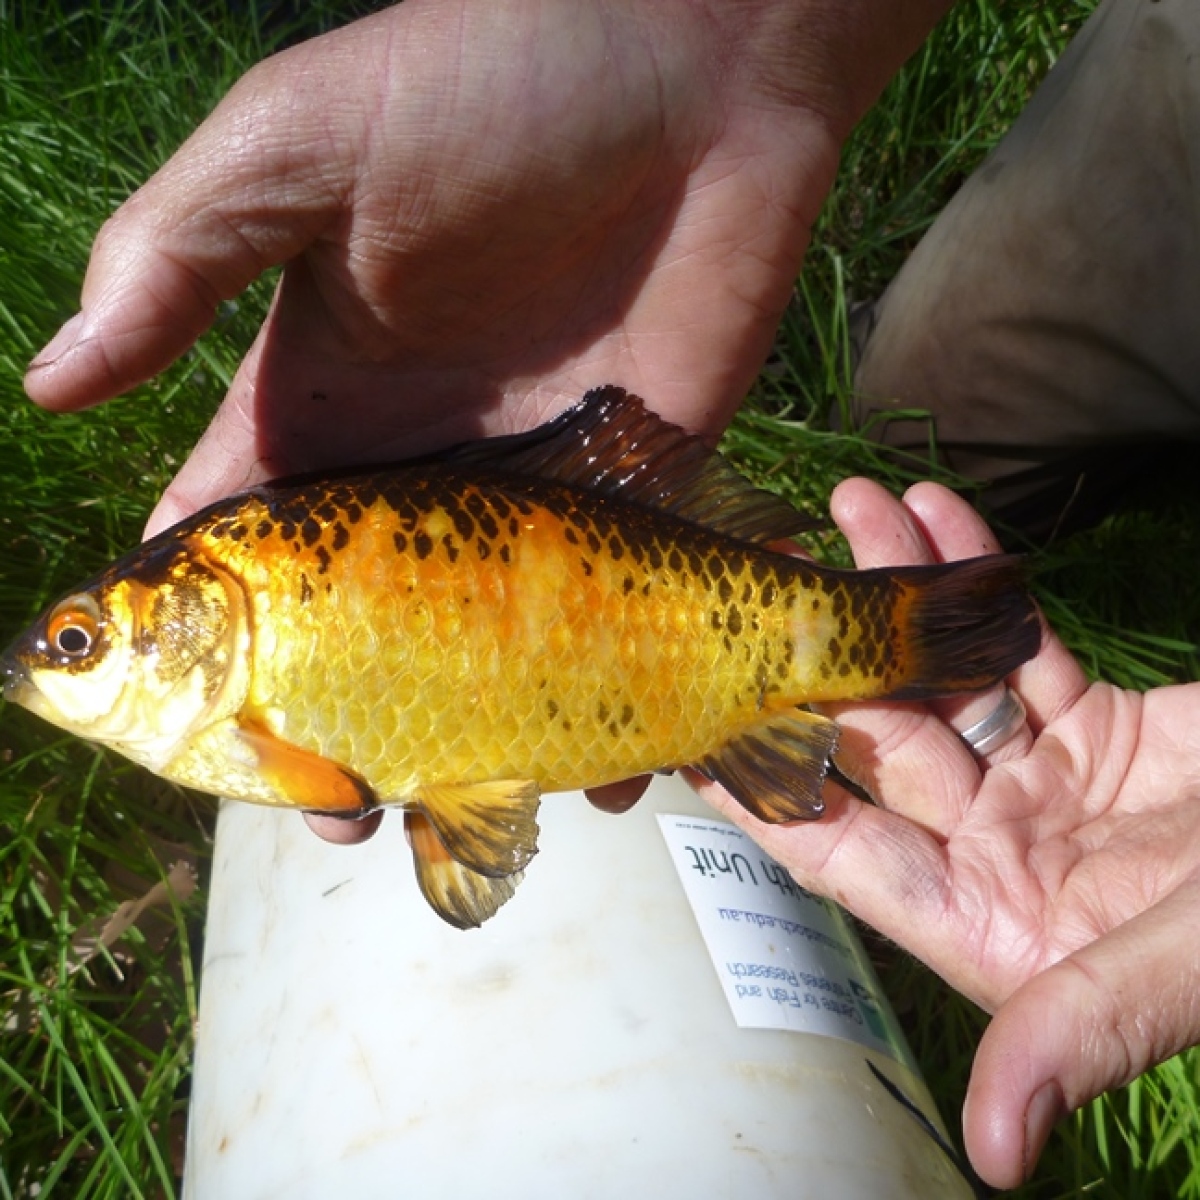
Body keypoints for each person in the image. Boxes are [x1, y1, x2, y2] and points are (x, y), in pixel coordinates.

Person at [21, 0, 1200, 1189]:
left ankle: (933, 618)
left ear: (195, 611)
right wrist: (711, 49)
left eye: (77, 641)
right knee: (935, 382)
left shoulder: (250, 600)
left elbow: (327, 786)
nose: (52, 665)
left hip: (642, 592)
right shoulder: (248, 590)